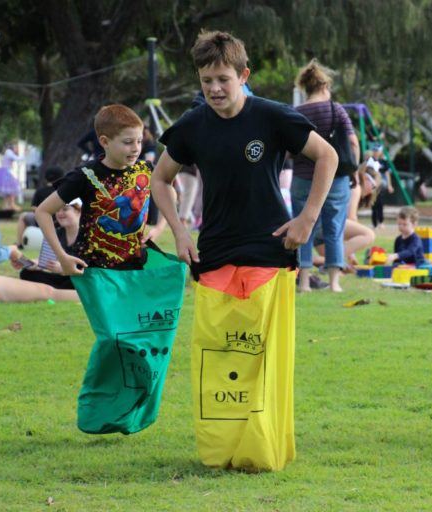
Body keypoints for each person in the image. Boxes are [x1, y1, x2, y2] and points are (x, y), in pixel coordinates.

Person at [150, 30, 336, 471]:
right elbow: (160, 179)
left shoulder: (272, 116)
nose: (214, 89)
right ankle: (222, 448)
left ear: (243, 75)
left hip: (270, 251)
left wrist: (307, 219)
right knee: (219, 357)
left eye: (223, 79)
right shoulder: (193, 125)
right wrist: (178, 232)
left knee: (260, 359)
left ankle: (259, 447)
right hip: (213, 254)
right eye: (206, 80)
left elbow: (327, 156)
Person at [36, 104, 165, 274]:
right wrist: (61, 256)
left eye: (139, 141)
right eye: (128, 142)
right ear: (104, 141)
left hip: (134, 266)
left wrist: (159, 227)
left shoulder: (145, 170)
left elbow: (169, 193)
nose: (136, 148)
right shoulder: (85, 175)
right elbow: (43, 211)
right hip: (93, 270)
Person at [290, 59, 359, 292]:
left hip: (302, 178)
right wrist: (353, 169)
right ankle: (334, 282)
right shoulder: (335, 109)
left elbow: (289, 148)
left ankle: (304, 282)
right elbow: (352, 141)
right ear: (325, 86)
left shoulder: (296, 113)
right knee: (334, 229)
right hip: (335, 178)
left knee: (303, 227)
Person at [19, 199, 81, 289]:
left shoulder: (88, 235)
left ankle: (56, 291)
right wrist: (32, 263)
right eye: (57, 210)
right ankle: (59, 291)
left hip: (80, 277)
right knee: (26, 273)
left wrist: (63, 269)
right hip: (61, 278)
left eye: (65, 209)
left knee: (75, 281)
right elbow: (46, 259)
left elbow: (92, 269)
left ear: (78, 211)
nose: (60, 213)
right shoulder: (56, 233)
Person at [16, 166, 65, 247]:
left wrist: (43, 211)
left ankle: (19, 243)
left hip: (41, 220)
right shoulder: (62, 190)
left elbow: (33, 207)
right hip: (59, 219)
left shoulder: (40, 190)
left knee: (23, 216)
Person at [366, 143, 393, 229]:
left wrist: (389, 185)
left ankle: (381, 222)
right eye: (374, 150)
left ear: (380, 151)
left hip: (381, 184)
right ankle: (374, 223)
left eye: (377, 150)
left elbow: (387, 174)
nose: (375, 152)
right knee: (373, 203)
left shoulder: (384, 162)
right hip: (373, 184)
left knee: (380, 203)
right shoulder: (370, 160)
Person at [0, 142, 23, 210]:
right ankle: (11, 204)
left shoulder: (8, 152)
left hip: (5, 172)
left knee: (8, 190)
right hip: (6, 173)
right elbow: (17, 159)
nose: (17, 149)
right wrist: (24, 155)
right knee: (13, 188)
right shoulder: (9, 152)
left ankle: (6, 205)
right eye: (16, 147)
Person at [176, 164, 201, 229]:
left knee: (182, 197)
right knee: (188, 198)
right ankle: (182, 220)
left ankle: (181, 220)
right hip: (190, 172)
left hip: (181, 171)